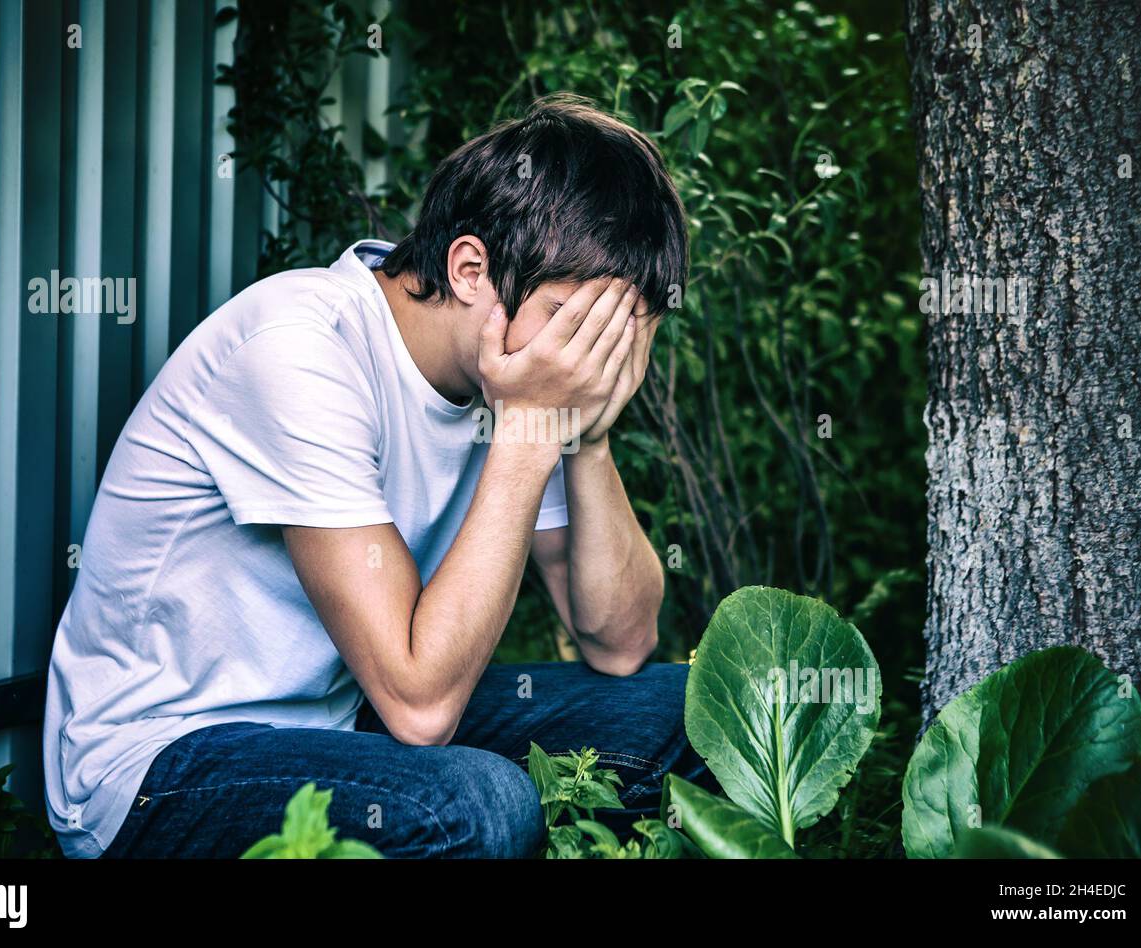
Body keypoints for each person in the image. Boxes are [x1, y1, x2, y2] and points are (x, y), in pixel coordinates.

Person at [43, 95, 709, 858]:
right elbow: (421, 706)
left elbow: (620, 642)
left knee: (696, 713)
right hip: (157, 765)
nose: (588, 361)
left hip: (345, 714)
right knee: (479, 807)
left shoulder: (530, 380)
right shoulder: (301, 349)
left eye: (615, 337)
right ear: (469, 270)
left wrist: (585, 440)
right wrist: (529, 434)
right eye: (573, 320)